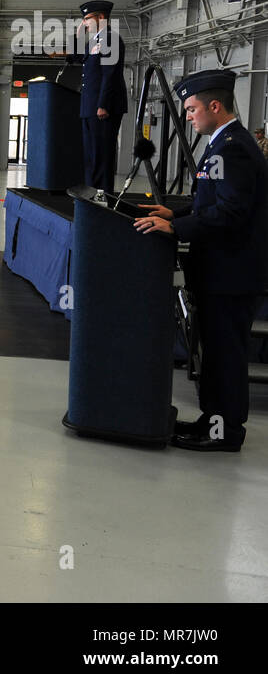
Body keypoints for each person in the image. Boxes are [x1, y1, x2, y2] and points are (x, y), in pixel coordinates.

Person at [135, 69, 268, 452]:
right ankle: (212, 422)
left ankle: (224, 433)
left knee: (225, 357)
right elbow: (213, 199)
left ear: (214, 106)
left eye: (192, 109)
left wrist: (175, 230)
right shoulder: (222, 142)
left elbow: (230, 213)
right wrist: (176, 213)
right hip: (222, 272)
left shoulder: (233, 148)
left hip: (232, 274)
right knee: (215, 354)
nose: (189, 116)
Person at [75, 0, 128, 191]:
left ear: (101, 17)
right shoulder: (94, 41)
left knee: (102, 155)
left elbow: (110, 73)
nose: (85, 23)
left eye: (88, 19)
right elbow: (76, 58)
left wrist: (103, 104)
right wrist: (79, 36)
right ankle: (92, 194)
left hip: (103, 106)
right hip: (90, 106)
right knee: (91, 155)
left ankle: (102, 197)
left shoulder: (110, 39)